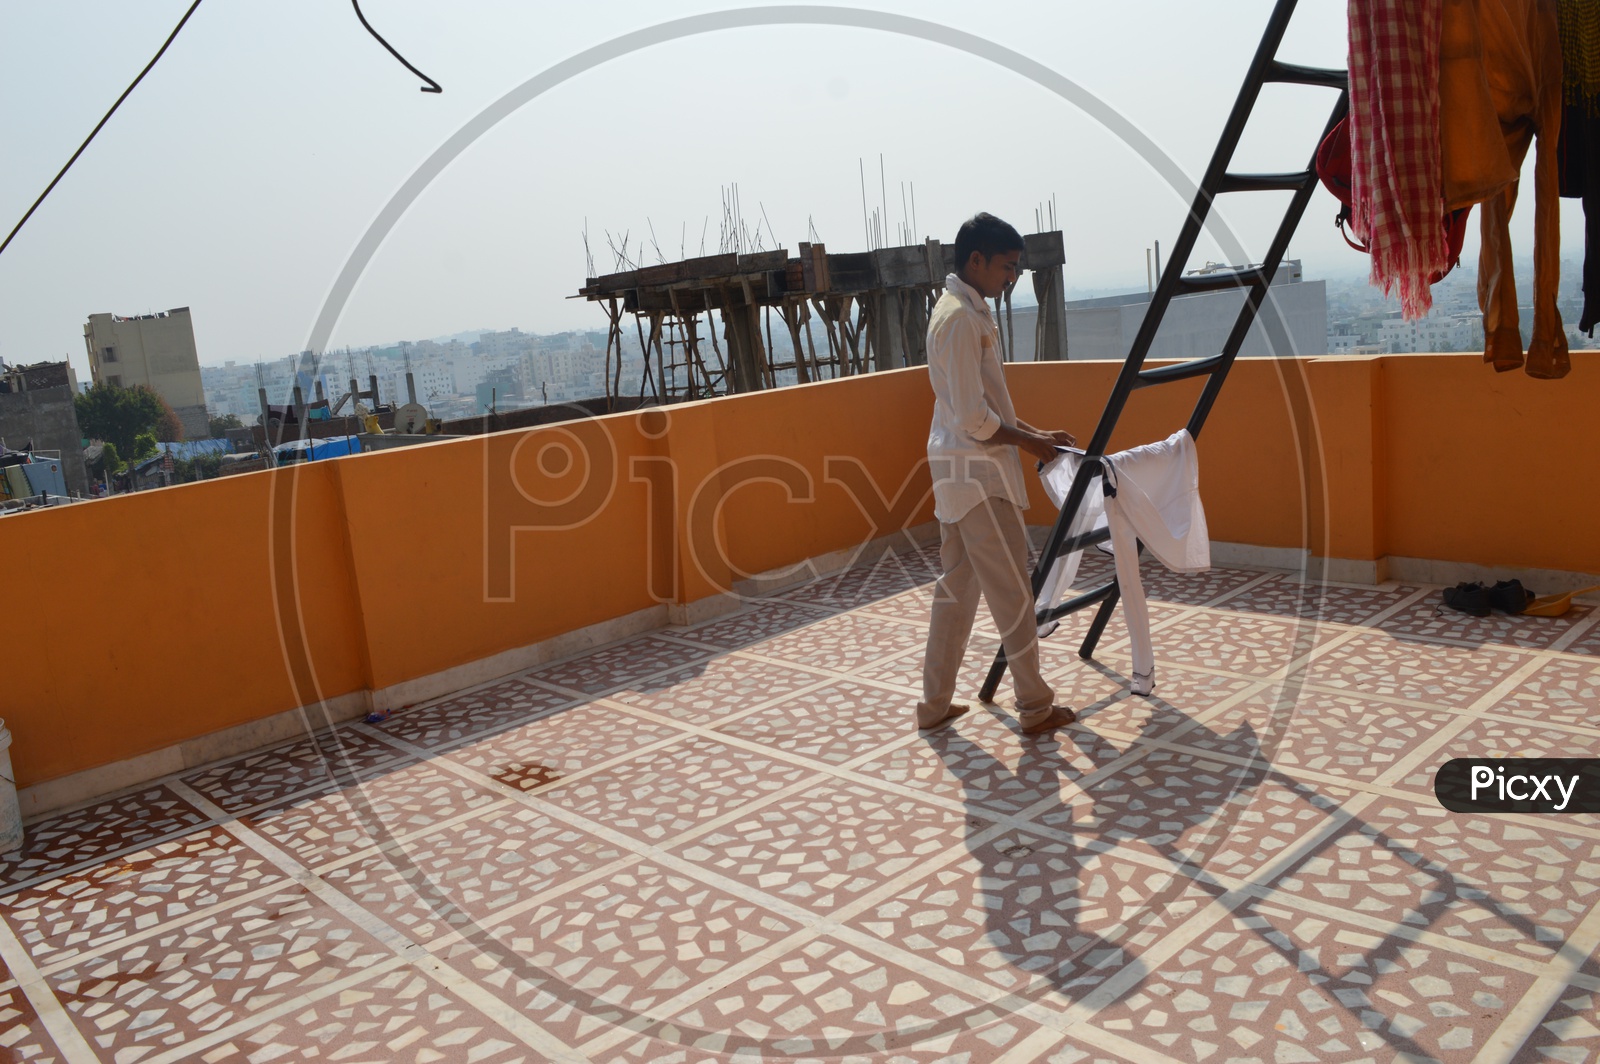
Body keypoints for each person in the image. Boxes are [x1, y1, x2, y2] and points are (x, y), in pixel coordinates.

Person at [917, 212, 1079, 735]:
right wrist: (1031, 441)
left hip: (957, 470)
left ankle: (934, 705)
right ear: (976, 261)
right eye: (1007, 267)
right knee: (1012, 592)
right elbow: (975, 418)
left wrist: (1036, 434)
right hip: (975, 475)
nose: (1012, 277)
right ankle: (1034, 706)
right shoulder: (963, 319)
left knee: (957, 591)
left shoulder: (956, 310)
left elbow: (980, 408)